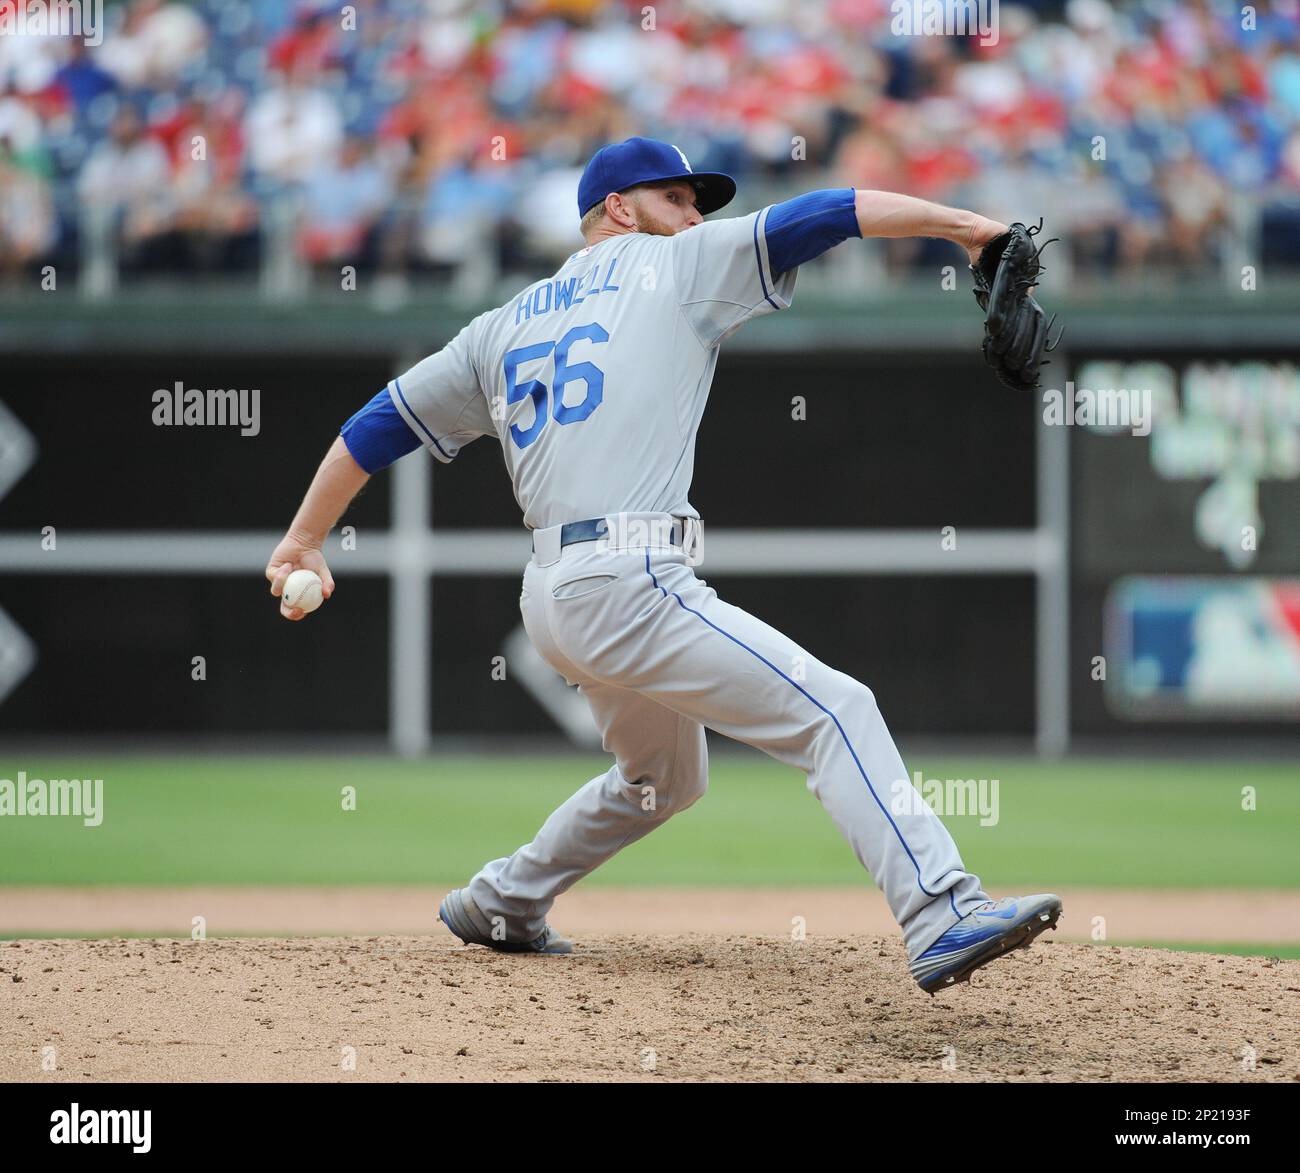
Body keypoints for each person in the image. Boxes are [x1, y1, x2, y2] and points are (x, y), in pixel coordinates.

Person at [265, 137, 1061, 993]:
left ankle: (504, 900)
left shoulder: (499, 326)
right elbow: (824, 214)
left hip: (553, 597)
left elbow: (373, 426)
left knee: (663, 778)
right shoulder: (673, 265)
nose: (696, 217)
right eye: (679, 198)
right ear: (620, 208)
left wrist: (304, 539)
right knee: (837, 710)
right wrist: (967, 226)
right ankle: (941, 911)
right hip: (632, 582)